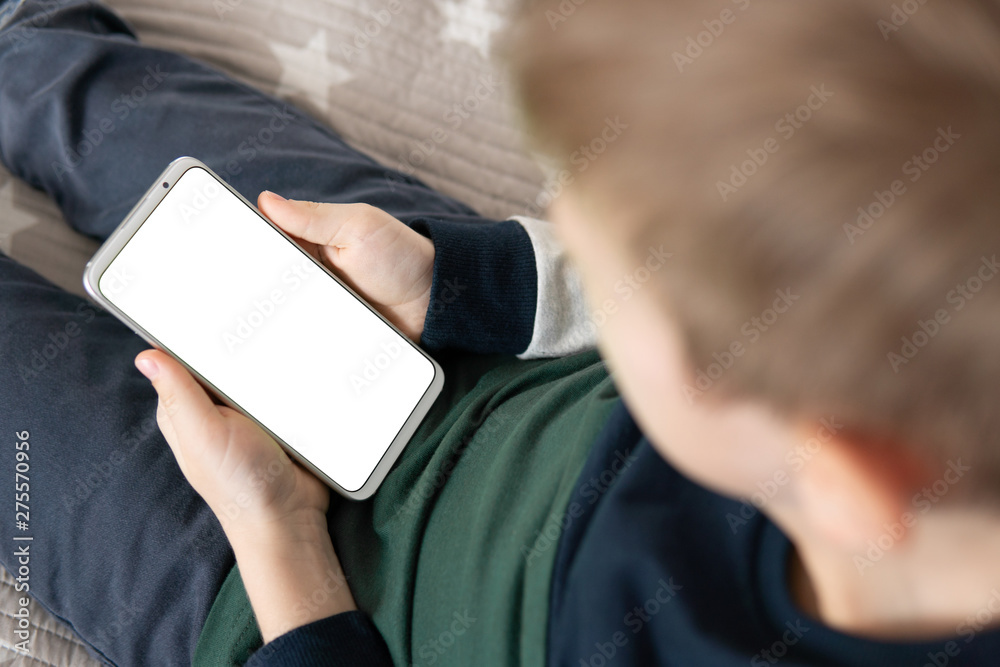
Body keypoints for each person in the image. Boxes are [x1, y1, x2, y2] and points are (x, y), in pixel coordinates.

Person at [3, 0, 1000, 666]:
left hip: (269, 593)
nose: (572, 247)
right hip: (470, 351)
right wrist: (465, 278)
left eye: (619, 282)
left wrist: (278, 536)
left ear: (840, 472)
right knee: (99, 101)